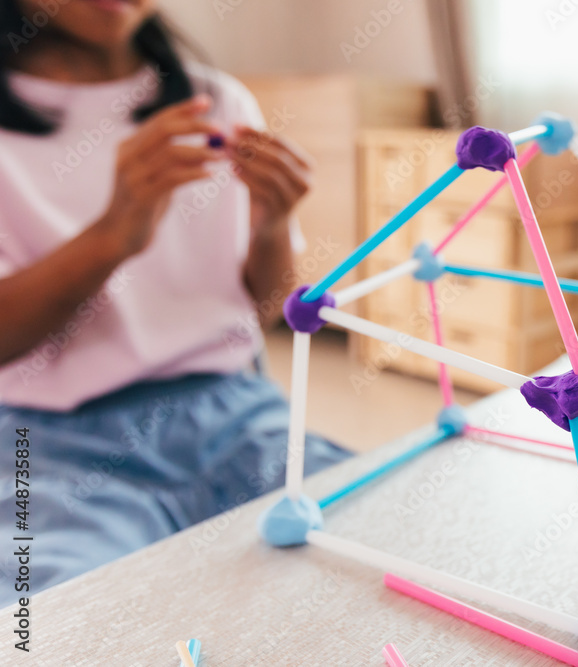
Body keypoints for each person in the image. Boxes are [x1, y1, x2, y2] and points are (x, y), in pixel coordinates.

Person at [0, 0, 350, 605]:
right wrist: (112, 235)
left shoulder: (218, 101)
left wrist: (272, 225)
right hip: (50, 443)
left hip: (234, 412)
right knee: (56, 619)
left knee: (377, 530)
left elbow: (265, 308)